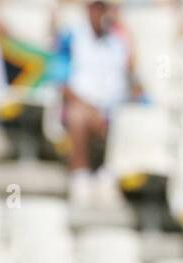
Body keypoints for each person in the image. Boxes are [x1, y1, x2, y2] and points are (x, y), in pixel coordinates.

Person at [57, 0, 140, 206]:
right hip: (82, 107)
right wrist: (90, 109)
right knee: (77, 115)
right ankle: (80, 177)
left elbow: (132, 76)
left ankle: (109, 176)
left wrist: (126, 33)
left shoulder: (119, 40)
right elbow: (60, 80)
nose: (103, 13)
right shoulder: (71, 36)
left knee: (133, 118)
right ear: (89, 9)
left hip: (114, 110)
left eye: (107, 8)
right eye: (99, 7)